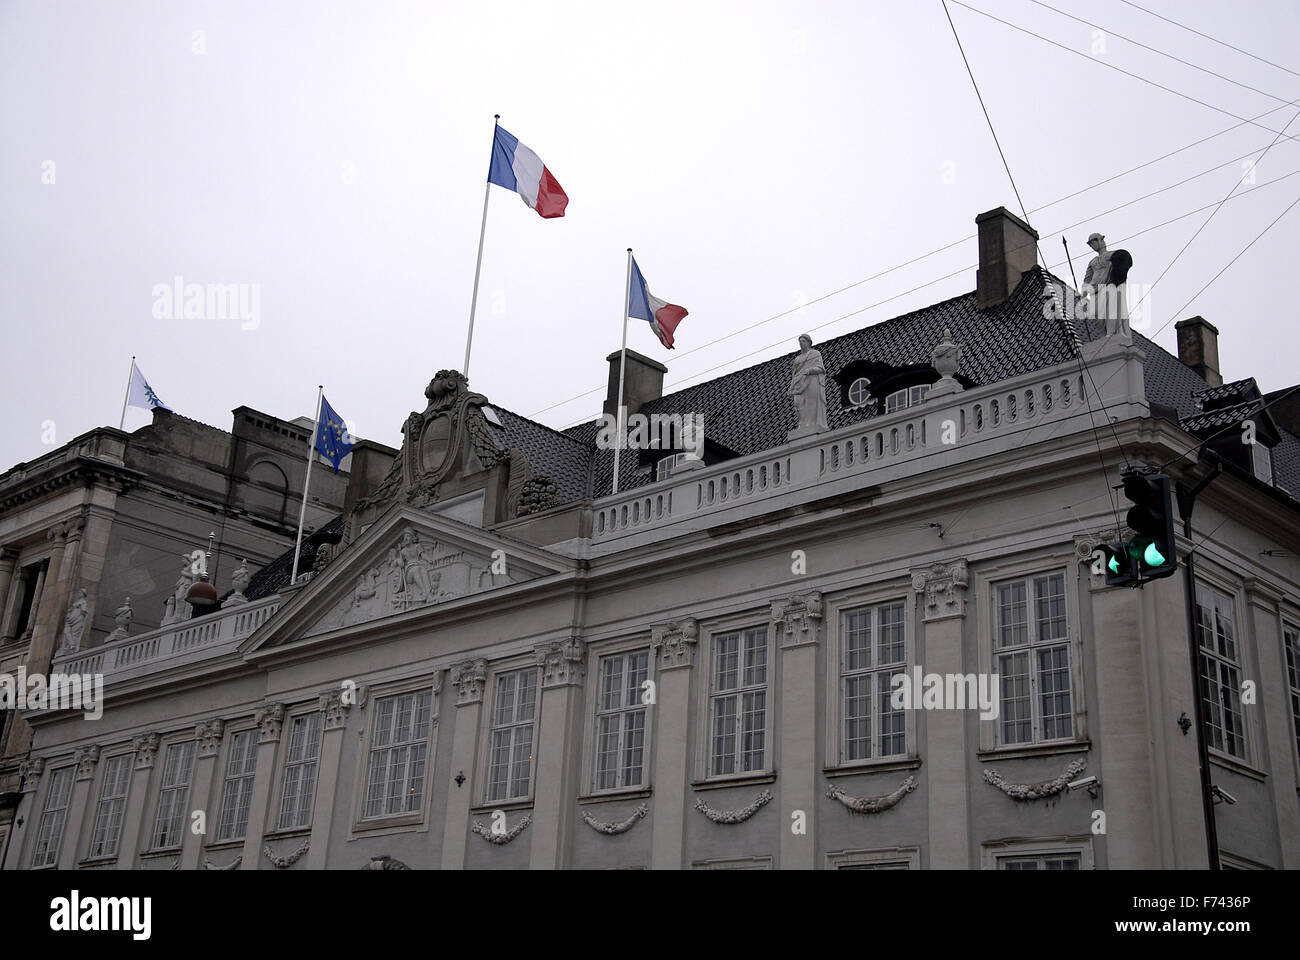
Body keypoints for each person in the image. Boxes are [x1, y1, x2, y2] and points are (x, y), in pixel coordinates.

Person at [789, 334, 829, 437]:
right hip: (799, 382)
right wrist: (793, 385)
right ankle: (802, 423)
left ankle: (811, 424)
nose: (801, 343)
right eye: (800, 341)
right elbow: (794, 374)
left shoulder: (815, 354)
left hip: (812, 380)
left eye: (803, 341)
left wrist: (809, 370)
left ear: (809, 342)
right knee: (798, 404)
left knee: (812, 402)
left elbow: (821, 369)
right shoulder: (797, 359)